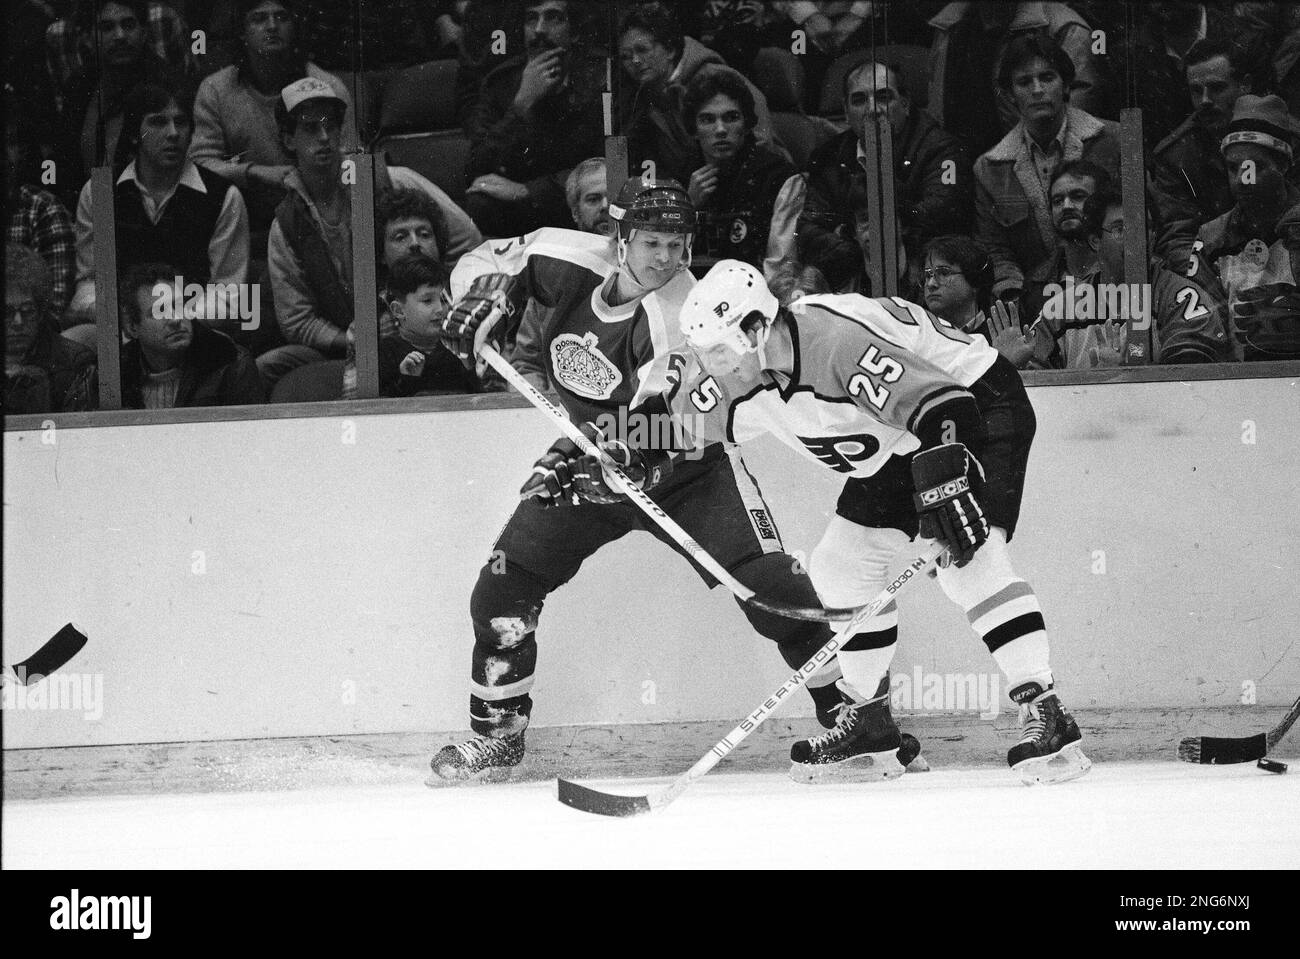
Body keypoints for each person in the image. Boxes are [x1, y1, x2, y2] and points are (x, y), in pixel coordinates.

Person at [425, 178, 922, 783]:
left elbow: (676, 425)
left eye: (678, 245)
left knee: (776, 594)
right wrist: (483, 295)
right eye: (654, 242)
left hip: (690, 468)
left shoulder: (682, 315)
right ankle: (496, 739)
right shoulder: (562, 255)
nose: (667, 259)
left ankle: (857, 719)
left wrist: (605, 460)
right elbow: (482, 259)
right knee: (503, 589)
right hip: (590, 456)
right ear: (621, 237)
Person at [550, 258, 1091, 785]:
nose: (710, 364)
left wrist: (945, 482)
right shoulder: (736, 366)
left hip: (972, 404)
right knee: (839, 567)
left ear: (757, 328)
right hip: (899, 437)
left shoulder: (833, 342)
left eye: (718, 350)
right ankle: (871, 725)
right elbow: (664, 423)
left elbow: (944, 405)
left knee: (966, 557)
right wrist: (623, 458)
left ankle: (1047, 713)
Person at [265, 78, 480, 387]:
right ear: (288, 140)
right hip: (342, 342)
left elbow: (468, 240)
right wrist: (356, 338)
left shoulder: (394, 180)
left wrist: (435, 302)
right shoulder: (285, 224)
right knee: (272, 366)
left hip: (421, 324)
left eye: (332, 126)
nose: (325, 137)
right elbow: (297, 321)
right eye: (311, 128)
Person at [69, 84, 251, 336]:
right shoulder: (100, 191)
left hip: (192, 330)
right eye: (158, 122)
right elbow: (89, 282)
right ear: (134, 133)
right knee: (76, 340)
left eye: (181, 122)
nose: (173, 133)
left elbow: (228, 295)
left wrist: (165, 322)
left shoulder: (223, 196)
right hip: (122, 328)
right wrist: (122, 318)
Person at [798, 59, 971, 294]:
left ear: (906, 104)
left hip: (923, 283)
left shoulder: (941, 150)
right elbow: (808, 231)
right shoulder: (828, 156)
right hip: (850, 283)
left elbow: (940, 218)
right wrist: (860, 244)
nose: (872, 109)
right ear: (846, 112)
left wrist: (852, 233)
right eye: (859, 100)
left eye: (883, 97)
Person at [189, 0, 358, 240]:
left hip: (317, 216)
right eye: (259, 19)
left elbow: (350, 160)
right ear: (242, 32)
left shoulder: (327, 86)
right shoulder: (215, 90)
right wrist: (255, 173)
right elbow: (199, 164)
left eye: (281, 17)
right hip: (244, 219)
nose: (272, 26)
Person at [973, 34, 1120, 302]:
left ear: (1065, 86)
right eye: (1024, 82)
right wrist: (1016, 295)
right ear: (1010, 95)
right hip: (1041, 300)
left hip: (1115, 289)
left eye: (1047, 77)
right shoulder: (990, 168)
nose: (1037, 89)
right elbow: (996, 250)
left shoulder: (1113, 141)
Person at [1024, 186, 1231, 367]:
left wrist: (1131, 379)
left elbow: (1189, 386)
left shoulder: (1183, 297)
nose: (1136, 237)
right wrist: (1008, 365)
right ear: (1095, 240)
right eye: (1120, 228)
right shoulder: (1061, 308)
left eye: (1144, 227)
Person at [462, 0, 605, 236]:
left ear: (575, 32)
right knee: (480, 203)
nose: (539, 29)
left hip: (578, 206)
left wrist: (528, 190)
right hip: (523, 217)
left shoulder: (601, 79)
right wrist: (520, 106)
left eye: (553, 18)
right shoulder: (501, 83)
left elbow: (610, 162)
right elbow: (475, 167)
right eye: (531, 19)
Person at [1149, 38, 1278, 276]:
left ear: (1245, 85)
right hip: (1216, 274)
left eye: (1217, 88)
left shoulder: (1286, 140)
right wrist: (1215, 284)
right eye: (1196, 91)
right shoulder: (1176, 155)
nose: (1205, 101)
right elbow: (1178, 239)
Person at [617, 3, 783, 185]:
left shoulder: (716, 76)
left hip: (758, 182)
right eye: (626, 56)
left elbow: (762, 142)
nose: (635, 61)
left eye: (642, 50)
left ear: (670, 50)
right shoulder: (643, 99)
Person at [1194, 94, 1300, 361]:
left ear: (1284, 165)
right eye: (1234, 168)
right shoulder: (1210, 239)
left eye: (1256, 167)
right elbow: (1204, 329)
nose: (1243, 179)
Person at [682, 69, 794, 268]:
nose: (720, 130)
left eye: (731, 117)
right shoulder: (682, 176)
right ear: (694, 129)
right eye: (707, 120)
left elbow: (780, 266)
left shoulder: (777, 176)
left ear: (747, 124)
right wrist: (688, 207)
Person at [117, 261, 267, 408]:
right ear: (132, 327)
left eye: (180, 306)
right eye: (160, 311)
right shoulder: (115, 373)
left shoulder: (231, 362)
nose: (175, 319)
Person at [5, 242, 97, 415]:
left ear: (40, 312)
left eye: (27, 310)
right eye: (7, 312)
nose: (18, 321)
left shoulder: (76, 363)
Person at [377, 253, 479, 397]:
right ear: (398, 310)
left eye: (444, 299)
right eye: (427, 301)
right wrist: (406, 378)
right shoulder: (386, 352)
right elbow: (378, 412)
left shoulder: (459, 349)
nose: (440, 309)